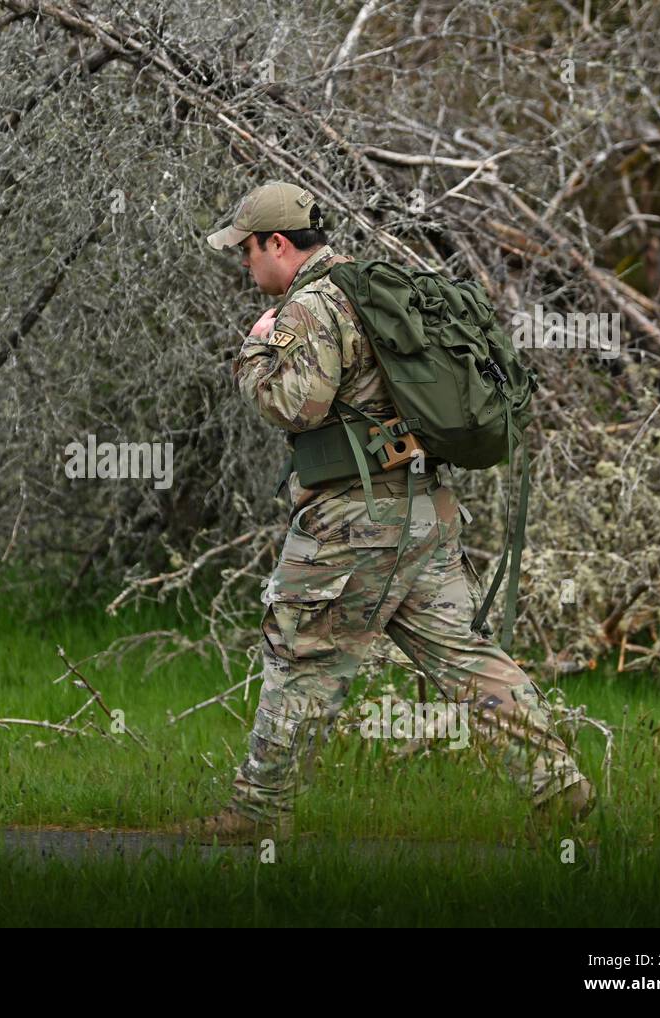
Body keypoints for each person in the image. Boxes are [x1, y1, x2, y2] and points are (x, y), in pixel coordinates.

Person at [186, 180, 596, 845]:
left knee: (301, 654)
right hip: (423, 510)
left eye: (247, 250)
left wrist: (255, 352)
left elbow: (298, 406)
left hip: (353, 522)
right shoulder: (375, 288)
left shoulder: (311, 307)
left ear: (278, 244)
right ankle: (555, 781)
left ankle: (257, 813)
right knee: (462, 654)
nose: (244, 263)